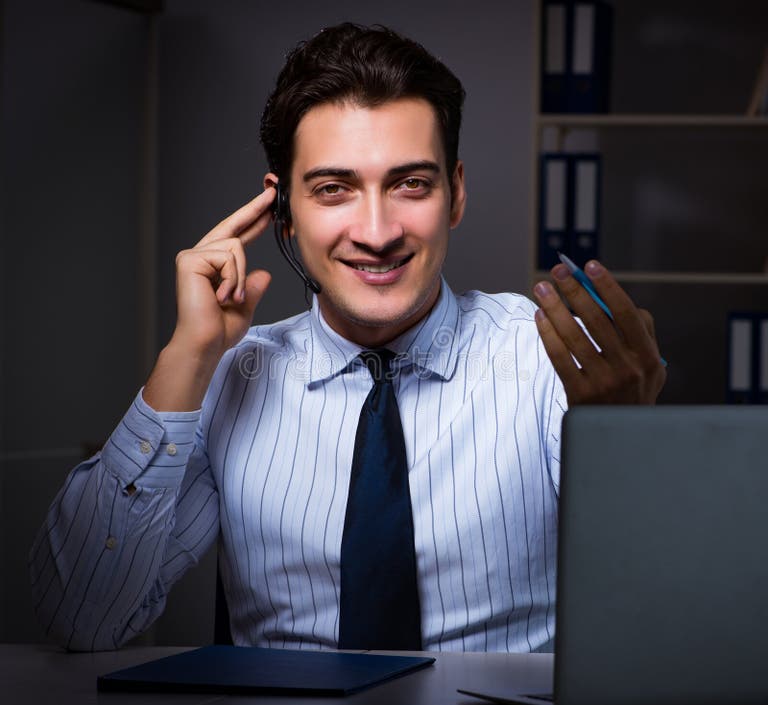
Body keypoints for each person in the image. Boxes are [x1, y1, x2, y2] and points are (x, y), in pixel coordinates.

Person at [30, 23, 666, 653]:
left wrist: (624, 446)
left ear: (457, 194)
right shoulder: (227, 377)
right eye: (334, 189)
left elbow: (665, 620)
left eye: (410, 184)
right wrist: (185, 358)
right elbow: (79, 618)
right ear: (284, 212)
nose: (377, 230)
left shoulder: (556, 357)